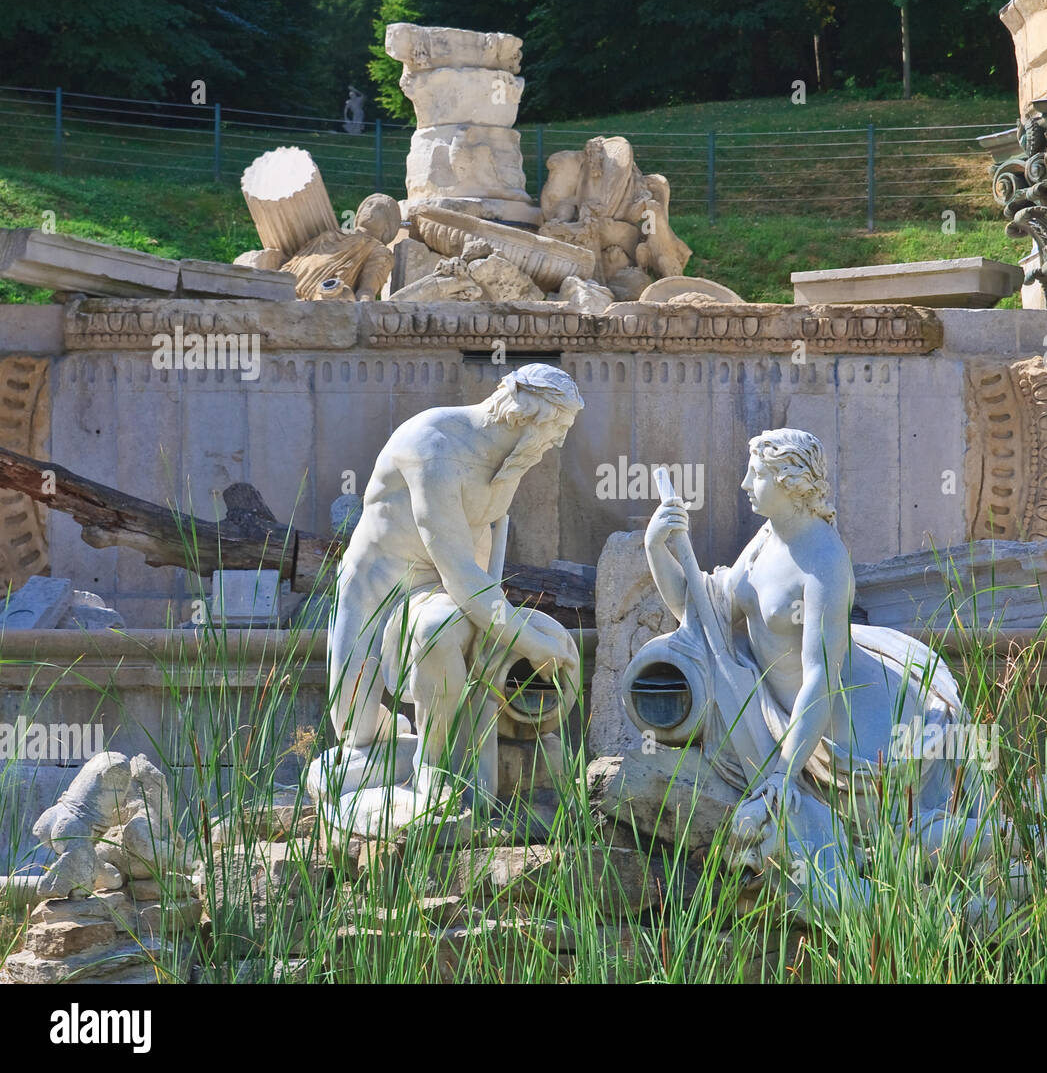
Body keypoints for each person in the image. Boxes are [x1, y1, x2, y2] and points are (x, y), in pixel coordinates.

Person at [643, 428, 1004, 891]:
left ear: (790, 482)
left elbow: (820, 677)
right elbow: (700, 616)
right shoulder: (766, 539)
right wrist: (657, 546)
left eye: (756, 474)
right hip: (778, 713)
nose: (745, 485)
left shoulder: (824, 561)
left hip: (843, 736)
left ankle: (1021, 846)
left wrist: (780, 776)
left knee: (896, 845)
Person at [320, 363, 583, 810]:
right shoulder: (435, 446)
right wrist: (533, 644)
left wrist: (491, 629)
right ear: (525, 415)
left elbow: (489, 533)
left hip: (439, 590)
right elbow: (460, 569)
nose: (557, 441)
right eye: (557, 427)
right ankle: (391, 741)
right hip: (375, 588)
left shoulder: (512, 456)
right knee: (354, 731)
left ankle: (430, 765)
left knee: (438, 631)